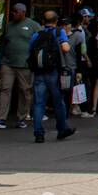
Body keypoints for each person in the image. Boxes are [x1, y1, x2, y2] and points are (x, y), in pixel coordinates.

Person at [26, 9, 75, 143]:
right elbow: (66, 48)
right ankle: (62, 128)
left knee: (39, 103)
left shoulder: (37, 34)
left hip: (39, 72)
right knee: (58, 102)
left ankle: (38, 133)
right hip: (54, 71)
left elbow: (30, 50)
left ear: (43, 21)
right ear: (56, 21)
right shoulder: (59, 32)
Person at [0, 3, 40, 130]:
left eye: (15, 11)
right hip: (7, 63)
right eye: (13, 11)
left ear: (23, 12)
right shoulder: (9, 26)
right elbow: (3, 42)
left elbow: (42, 40)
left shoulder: (33, 25)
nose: (13, 13)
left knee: (24, 90)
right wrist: (0, 59)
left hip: (24, 64)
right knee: (5, 89)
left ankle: (21, 117)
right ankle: (0, 118)